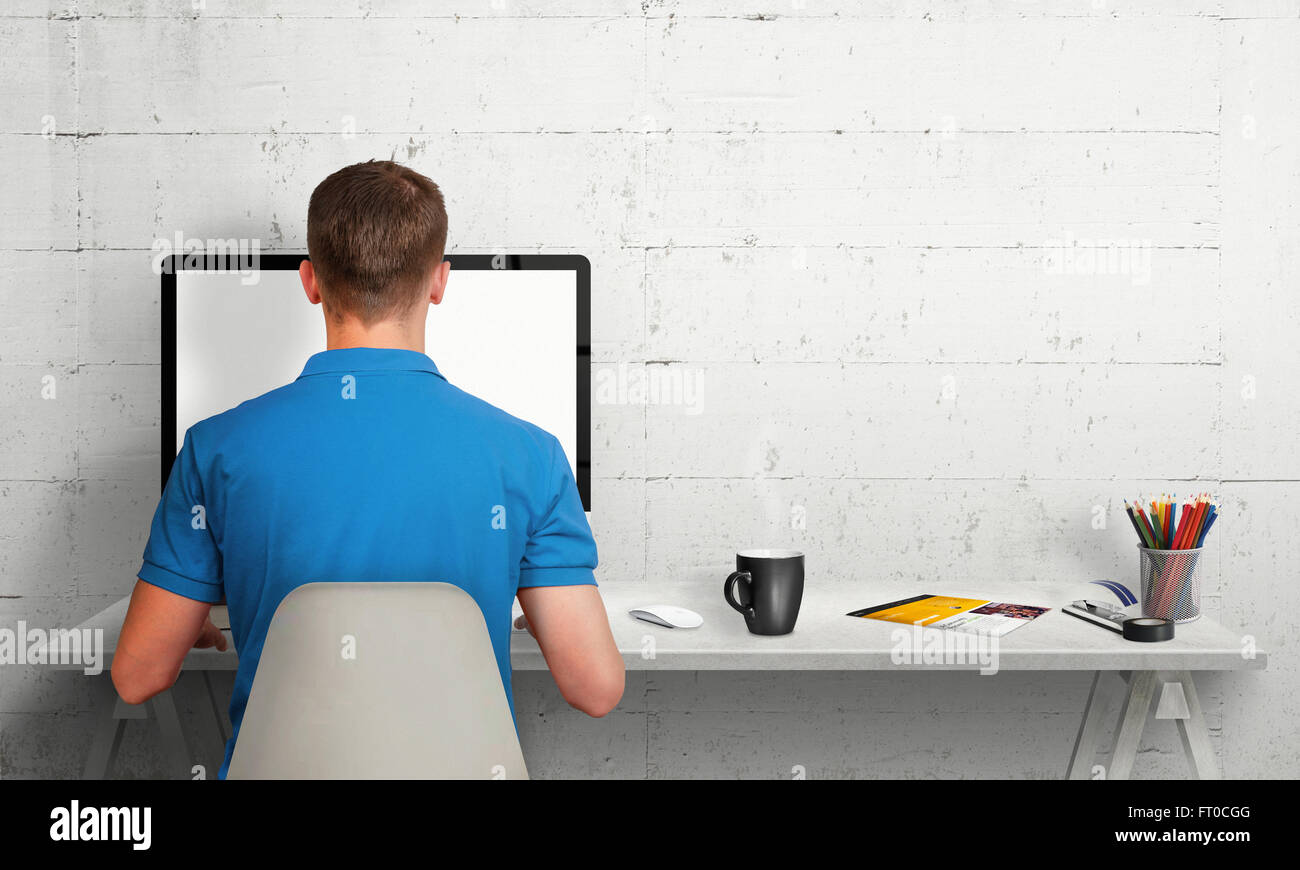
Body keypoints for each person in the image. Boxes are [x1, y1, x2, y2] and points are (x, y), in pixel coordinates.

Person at [111, 160, 624, 778]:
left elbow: (138, 676)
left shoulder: (214, 448)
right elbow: (595, 689)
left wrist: (185, 613)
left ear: (309, 282)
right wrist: (544, 620)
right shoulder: (531, 455)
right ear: (440, 281)